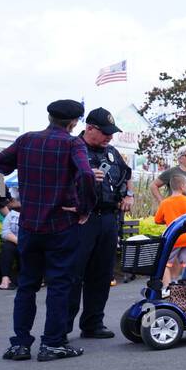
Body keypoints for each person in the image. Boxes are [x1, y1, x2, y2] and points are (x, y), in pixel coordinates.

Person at [0, 99, 96, 362]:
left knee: (27, 285)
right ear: (74, 122)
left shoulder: (26, 140)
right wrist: (83, 209)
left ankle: (20, 344)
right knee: (59, 286)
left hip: (29, 225)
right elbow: (87, 175)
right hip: (60, 225)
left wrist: (1, 199)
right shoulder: (72, 143)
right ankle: (52, 343)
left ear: (49, 116)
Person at [66, 108, 133, 339]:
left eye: (111, 133)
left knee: (102, 274)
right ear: (90, 128)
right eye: (105, 132)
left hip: (108, 218)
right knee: (74, 274)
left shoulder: (112, 152)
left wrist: (129, 195)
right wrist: (81, 177)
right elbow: (58, 180)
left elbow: (126, 176)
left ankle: (93, 323)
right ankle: (61, 329)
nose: (109, 137)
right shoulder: (72, 149)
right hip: (81, 219)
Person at [154, 173, 186, 289]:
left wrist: (169, 221)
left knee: (165, 263)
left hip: (174, 238)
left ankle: (168, 287)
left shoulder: (165, 203)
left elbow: (157, 220)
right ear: (182, 186)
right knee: (185, 263)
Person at [0, 197, 21, 289]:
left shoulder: (33, 212)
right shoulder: (11, 215)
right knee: (7, 247)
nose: (13, 201)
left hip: (31, 242)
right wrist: (19, 241)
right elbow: (5, 233)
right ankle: (5, 279)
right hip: (16, 241)